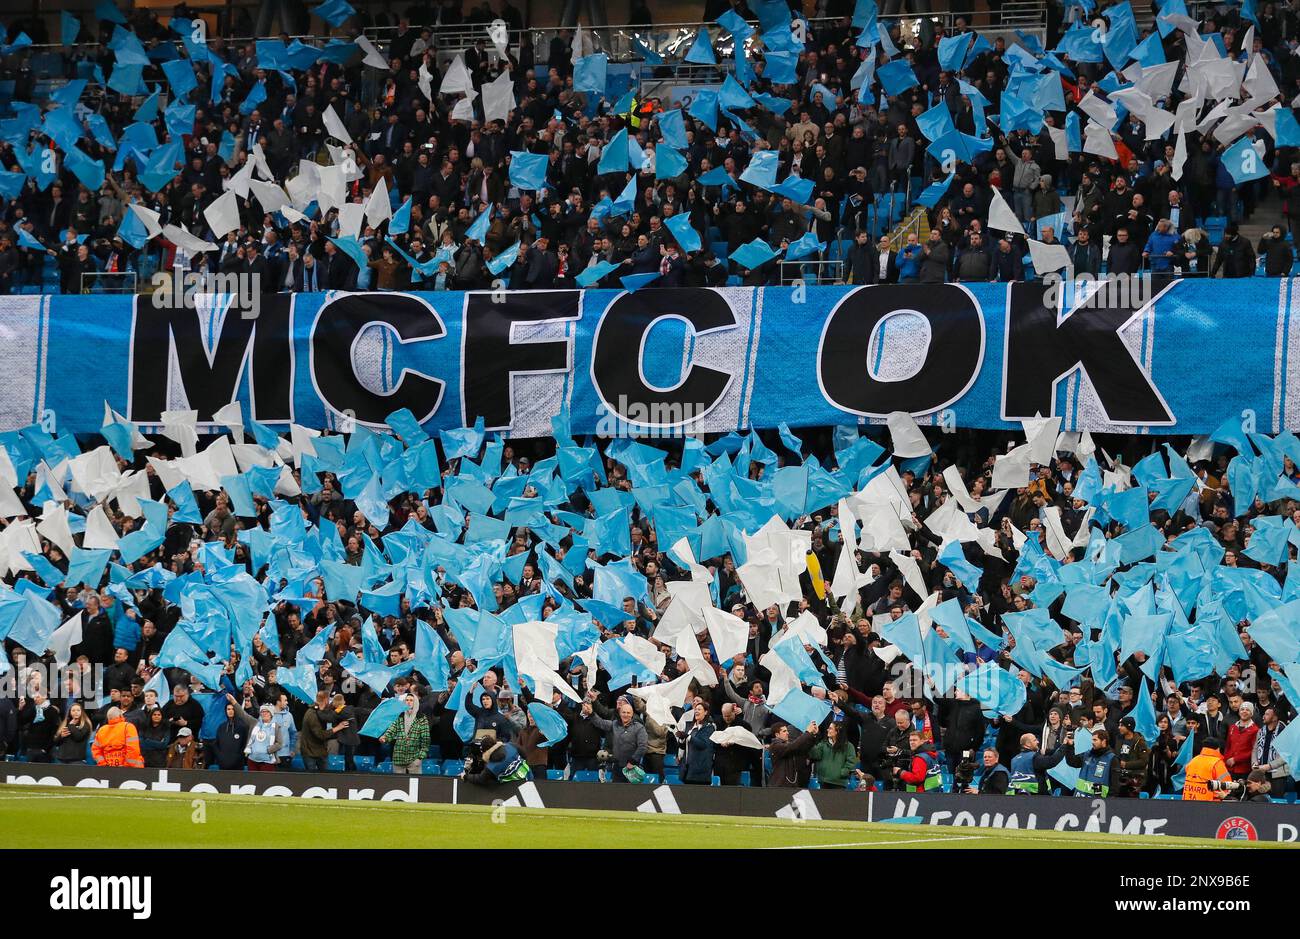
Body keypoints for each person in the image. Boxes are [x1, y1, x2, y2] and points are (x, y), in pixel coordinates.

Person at [590, 698, 647, 782]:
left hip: (632, 767)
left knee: (633, 794)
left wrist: (632, 761)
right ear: (620, 713)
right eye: (623, 712)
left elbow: (643, 746)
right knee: (616, 793)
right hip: (617, 767)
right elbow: (600, 722)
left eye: (628, 713)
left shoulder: (639, 727)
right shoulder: (614, 724)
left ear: (632, 714)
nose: (626, 715)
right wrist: (591, 714)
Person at [381, 692, 430, 774]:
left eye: (411, 700)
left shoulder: (422, 718)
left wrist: (420, 757)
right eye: (407, 700)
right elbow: (392, 730)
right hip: (399, 756)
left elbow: (425, 739)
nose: (409, 702)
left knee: (415, 784)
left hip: (414, 757)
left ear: (415, 702)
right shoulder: (399, 716)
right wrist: (385, 737)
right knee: (398, 785)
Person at [808, 720, 858, 789]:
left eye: (830, 728)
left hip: (839, 783)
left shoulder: (848, 746)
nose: (827, 730)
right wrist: (813, 737)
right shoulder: (823, 743)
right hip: (824, 781)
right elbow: (815, 755)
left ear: (837, 731)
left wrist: (842, 773)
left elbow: (851, 762)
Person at [768, 721, 817, 787]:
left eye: (787, 731)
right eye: (784, 731)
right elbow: (793, 746)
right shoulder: (775, 746)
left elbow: (802, 748)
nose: (788, 733)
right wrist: (807, 732)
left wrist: (812, 735)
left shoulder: (786, 745)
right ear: (777, 735)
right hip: (780, 785)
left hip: (790, 784)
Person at [679, 701, 716, 785]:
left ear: (706, 712)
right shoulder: (690, 727)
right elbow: (684, 746)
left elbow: (703, 744)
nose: (696, 711)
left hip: (700, 772)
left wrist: (688, 736)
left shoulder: (709, 728)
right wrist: (681, 739)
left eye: (699, 709)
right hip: (687, 770)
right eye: (695, 709)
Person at [244, 703, 286, 772]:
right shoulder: (255, 723)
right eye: (262, 712)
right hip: (252, 760)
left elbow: (279, 743)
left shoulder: (275, 726)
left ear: (271, 714)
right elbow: (243, 715)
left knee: (266, 782)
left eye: (267, 711)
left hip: (267, 762)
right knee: (252, 782)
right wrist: (233, 701)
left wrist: (268, 750)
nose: (264, 713)